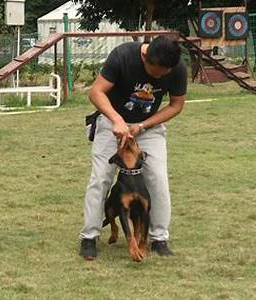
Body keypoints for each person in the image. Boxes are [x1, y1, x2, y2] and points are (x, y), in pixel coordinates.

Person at [79, 35, 187, 260]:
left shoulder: (176, 68)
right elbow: (95, 92)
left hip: (147, 128)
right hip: (111, 122)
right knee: (101, 178)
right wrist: (116, 120)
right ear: (146, 56)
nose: (158, 77)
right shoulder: (123, 56)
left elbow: (176, 104)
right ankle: (89, 236)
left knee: (158, 179)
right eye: (155, 72)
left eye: (163, 74)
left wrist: (144, 125)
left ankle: (159, 238)